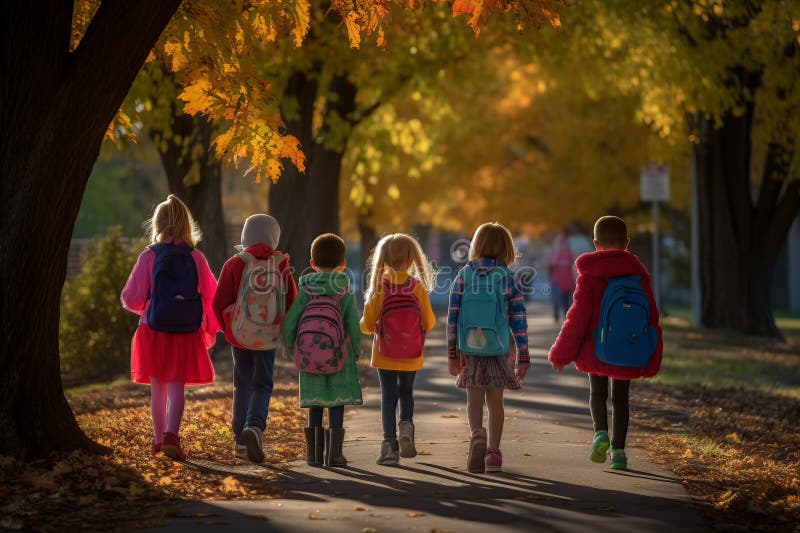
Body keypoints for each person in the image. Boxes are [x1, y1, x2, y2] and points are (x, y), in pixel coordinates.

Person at [548, 215, 662, 470]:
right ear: (627, 243)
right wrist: (653, 359)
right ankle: (619, 452)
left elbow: (576, 318)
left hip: (594, 349)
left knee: (597, 393)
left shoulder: (589, 276)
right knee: (621, 399)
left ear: (596, 244)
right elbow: (652, 319)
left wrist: (561, 353)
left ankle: (600, 432)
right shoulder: (638, 276)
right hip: (629, 348)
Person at [121, 194, 220, 459]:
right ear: (186, 224)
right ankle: (172, 437)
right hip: (185, 331)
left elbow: (130, 298)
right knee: (177, 389)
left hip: (153, 330)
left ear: (157, 225)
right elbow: (212, 295)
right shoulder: (196, 257)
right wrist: (210, 326)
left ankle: (156, 441)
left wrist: (147, 308)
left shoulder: (149, 256)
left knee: (158, 391)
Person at [212, 214, 298, 463]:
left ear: (245, 236)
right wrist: (286, 334)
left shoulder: (235, 263)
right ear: (274, 237)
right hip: (268, 335)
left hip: (240, 335)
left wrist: (228, 328)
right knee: (262, 383)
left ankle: (240, 440)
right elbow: (292, 301)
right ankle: (255, 427)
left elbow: (219, 302)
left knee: (243, 383)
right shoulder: (280, 263)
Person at [447, 222, 530, 473]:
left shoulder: (463, 275)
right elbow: (519, 319)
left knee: (474, 398)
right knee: (496, 402)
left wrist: (452, 353)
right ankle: (493, 453)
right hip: (500, 347)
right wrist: (523, 356)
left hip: (469, 348)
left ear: (476, 246)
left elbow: (453, 317)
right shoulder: (508, 277)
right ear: (507, 248)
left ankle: (476, 434)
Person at [282, 233, 362, 467]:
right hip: (339, 354)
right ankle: (335, 455)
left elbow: (292, 318)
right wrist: (355, 349)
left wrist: (289, 344)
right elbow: (352, 322)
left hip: (309, 356)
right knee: (336, 402)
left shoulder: (306, 289)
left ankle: (313, 454)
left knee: (315, 402)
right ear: (343, 264)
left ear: (312, 264)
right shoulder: (343, 289)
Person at [360, 234, 436, 466]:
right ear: (412, 260)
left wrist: (370, 325)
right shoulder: (416, 288)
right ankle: (406, 426)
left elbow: (366, 325)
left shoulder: (380, 289)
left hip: (384, 355)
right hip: (411, 355)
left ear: (383, 260)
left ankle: (389, 446)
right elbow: (429, 322)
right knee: (406, 393)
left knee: (388, 397)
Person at [547, 229, 576, 322]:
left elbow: (573, 267)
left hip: (567, 280)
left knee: (566, 299)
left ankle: (566, 315)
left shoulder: (569, 254)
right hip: (556, 280)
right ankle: (556, 313)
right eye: (560, 241)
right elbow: (550, 265)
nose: (562, 243)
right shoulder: (554, 253)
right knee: (556, 298)